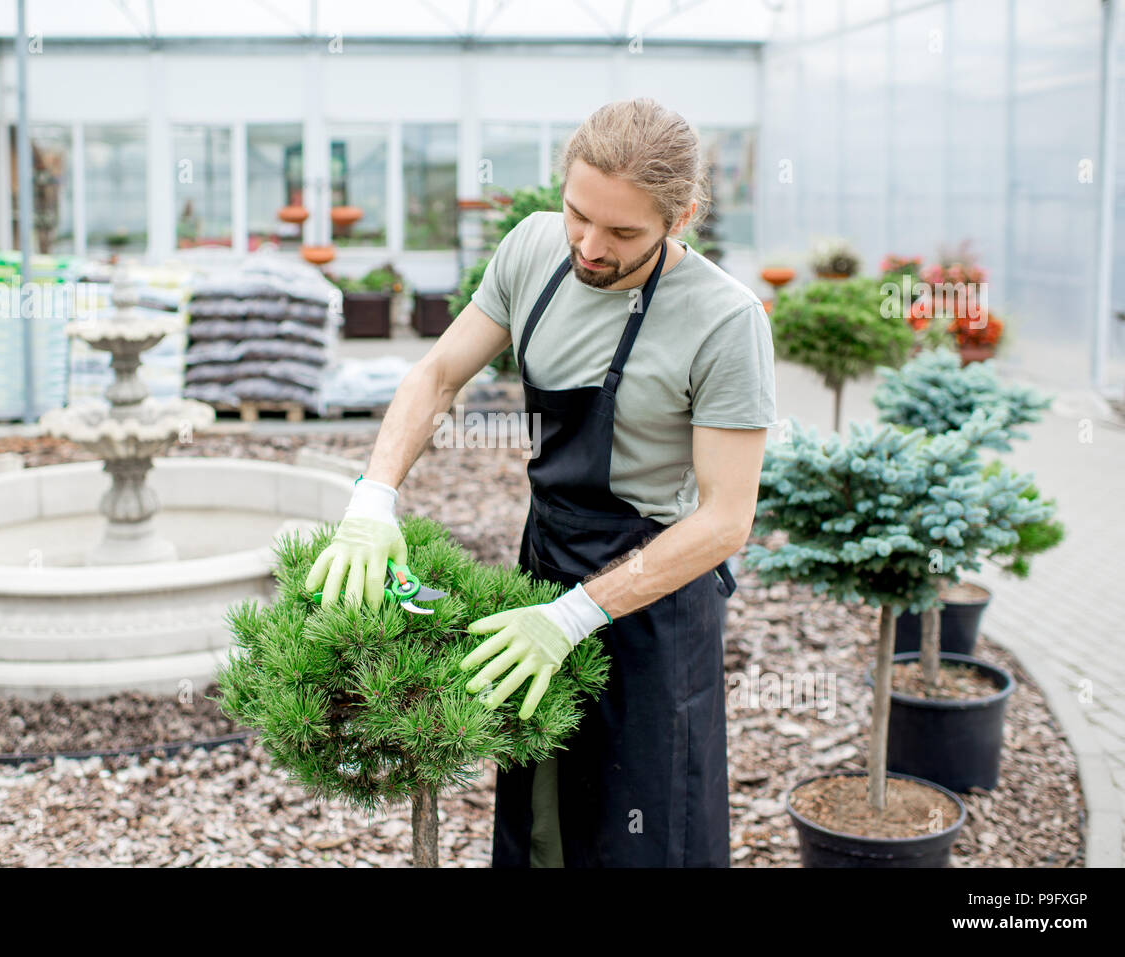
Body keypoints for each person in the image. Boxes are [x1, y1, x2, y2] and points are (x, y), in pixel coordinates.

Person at [306, 98, 777, 867]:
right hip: (546, 563)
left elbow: (725, 520)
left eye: (622, 232)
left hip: (654, 599)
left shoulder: (725, 321)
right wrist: (373, 497)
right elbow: (437, 376)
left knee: (645, 831)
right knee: (541, 827)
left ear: (682, 215)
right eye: (577, 214)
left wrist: (574, 617)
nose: (590, 246)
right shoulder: (531, 250)